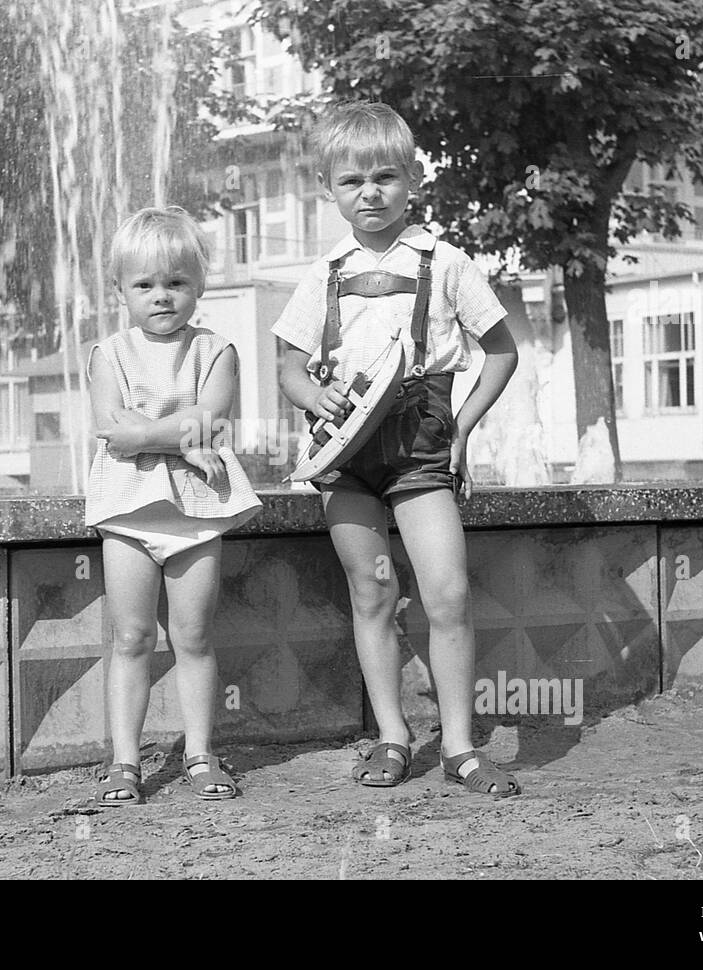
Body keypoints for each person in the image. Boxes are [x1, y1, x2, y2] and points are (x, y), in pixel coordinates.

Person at [274, 101, 523, 796]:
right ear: (330, 191)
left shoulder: (444, 263)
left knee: (446, 594)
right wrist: (308, 396)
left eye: (385, 177)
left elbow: (501, 351)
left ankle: (460, 746)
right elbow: (289, 367)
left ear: (413, 180)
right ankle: (391, 736)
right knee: (374, 588)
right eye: (352, 182)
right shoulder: (321, 274)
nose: (370, 193)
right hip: (347, 457)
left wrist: (465, 427)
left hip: (420, 447)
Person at [86, 206, 262, 806]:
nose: (161, 297)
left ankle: (200, 753)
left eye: (176, 283)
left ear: (199, 285)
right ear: (120, 291)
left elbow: (210, 420)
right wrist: (182, 438)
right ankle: (125, 760)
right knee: (131, 637)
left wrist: (146, 433)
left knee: (194, 636)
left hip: (196, 514)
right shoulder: (108, 353)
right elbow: (111, 427)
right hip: (130, 514)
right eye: (145, 285)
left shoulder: (216, 350)